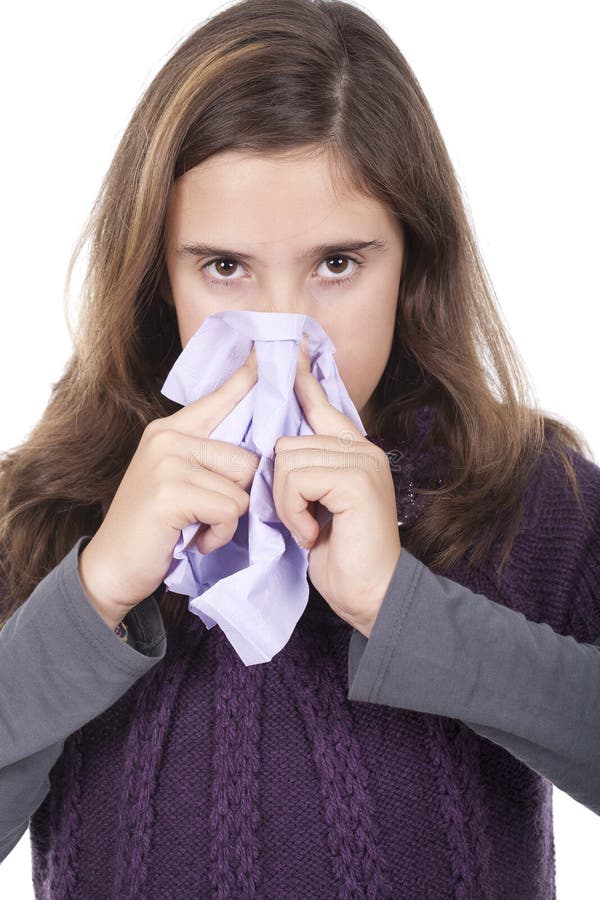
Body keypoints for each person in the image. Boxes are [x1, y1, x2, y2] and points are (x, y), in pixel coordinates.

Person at [1, 0, 599, 897]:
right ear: (157, 274)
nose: (283, 331)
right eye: (224, 267)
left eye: (337, 264)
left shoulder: (526, 495)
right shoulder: (44, 507)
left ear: (415, 262)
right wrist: (90, 596)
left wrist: (405, 608)